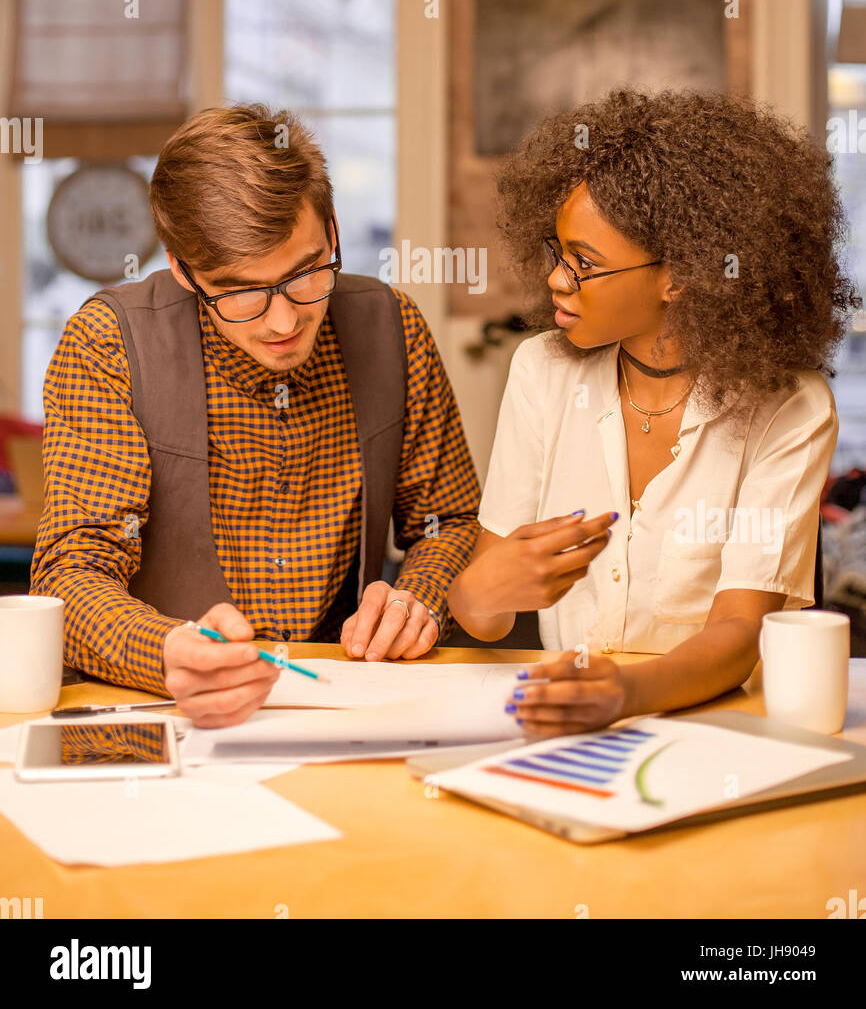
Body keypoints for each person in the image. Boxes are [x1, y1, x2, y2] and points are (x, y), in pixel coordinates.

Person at [31, 105, 480, 727]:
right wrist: (167, 653)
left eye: (305, 274)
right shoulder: (108, 343)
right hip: (167, 714)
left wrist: (418, 600)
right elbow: (70, 575)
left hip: (342, 705)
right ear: (181, 269)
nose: (283, 321)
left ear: (334, 230)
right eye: (240, 291)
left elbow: (448, 522)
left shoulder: (393, 326)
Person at [449, 88, 859, 736]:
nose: (557, 279)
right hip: (568, 724)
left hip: (717, 732)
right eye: (558, 254)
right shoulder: (541, 373)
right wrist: (480, 591)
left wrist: (626, 692)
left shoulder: (789, 408)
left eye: (585, 264)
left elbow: (739, 629)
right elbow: (483, 615)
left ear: (680, 275)